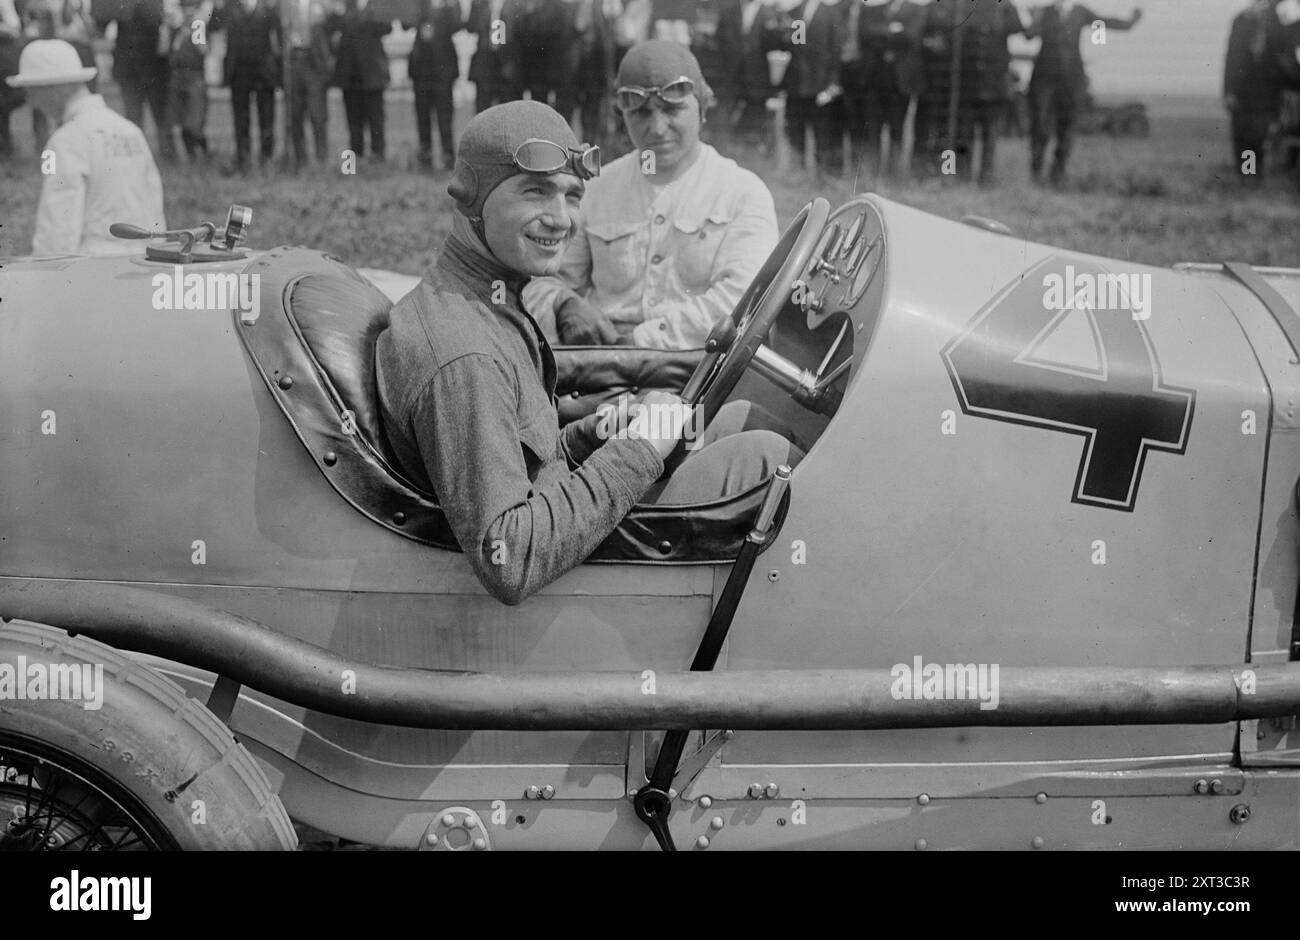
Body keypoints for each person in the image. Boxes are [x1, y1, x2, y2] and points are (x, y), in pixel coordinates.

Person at [374, 99, 798, 605]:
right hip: (564, 577)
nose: (560, 219)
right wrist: (639, 449)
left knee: (740, 420)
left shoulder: (489, 301)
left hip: (563, 517)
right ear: (470, 197)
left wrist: (596, 433)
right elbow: (509, 557)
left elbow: (527, 454)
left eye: (572, 196)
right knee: (765, 456)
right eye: (535, 192)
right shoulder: (465, 356)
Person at [522, 40, 778, 350]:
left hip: (700, 371)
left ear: (703, 106)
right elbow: (542, 278)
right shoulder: (596, 189)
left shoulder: (742, 193)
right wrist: (563, 302)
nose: (657, 128)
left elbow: (742, 300)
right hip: (602, 370)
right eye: (641, 113)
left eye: (672, 109)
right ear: (623, 115)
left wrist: (640, 341)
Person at [6, 38, 165, 254]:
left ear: (53, 89)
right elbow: (155, 208)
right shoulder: (130, 131)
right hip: (142, 265)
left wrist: (41, 277)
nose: (32, 102)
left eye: (32, 91)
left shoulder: (63, 143)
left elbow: (57, 231)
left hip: (89, 271)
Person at [1025, 0, 1142, 185]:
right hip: (1044, 80)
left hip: (1071, 80)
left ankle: (1058, 174)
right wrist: (1034, 19)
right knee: (1040, 126)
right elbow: (1029, 34)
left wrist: (1130, 23)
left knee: (1066, 127)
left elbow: (1103, 22)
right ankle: (1036, 174)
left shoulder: (1081, 12)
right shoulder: (1044, 12)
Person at [842, 0, 925, 181]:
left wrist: (883, 32)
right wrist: (894, 30)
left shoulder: (916, 9)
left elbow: (911, 36)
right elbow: (866, 34)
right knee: (873, 129)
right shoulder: (873, 8)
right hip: (875, 82)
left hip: (900, 84)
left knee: (897, 130)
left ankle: (894, 176)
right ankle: (873, 176)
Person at [774, 0, 845, 174]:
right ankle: (799, 172)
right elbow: (796, 46)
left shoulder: (831, 13)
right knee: (796, 131)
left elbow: (836, 51)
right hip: (797, 86)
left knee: (822, 133)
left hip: (820, 86)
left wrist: (832, 84)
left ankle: (825, 175)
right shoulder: (796, 12)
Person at [211, 0, 281, 171]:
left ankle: (267, 159)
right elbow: (214, 26)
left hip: (263, 73)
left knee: (267, 118)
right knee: (241, 120)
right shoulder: (229, 5)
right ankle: (243, 160)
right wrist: (217, 6)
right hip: (239, 72)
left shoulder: (268, 7)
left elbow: (279, 31)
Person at [1224, 0, 1286, 181]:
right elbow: (1232, 59)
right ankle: (1248, 175)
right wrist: (1229, 91)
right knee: (1244, 139)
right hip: (1243, 93)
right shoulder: (1242, 21)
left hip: (1267, 93)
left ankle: (1255, 175)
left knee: (1259, 137)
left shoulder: (1281, 22)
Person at [105, 0, 173, 161]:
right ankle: (136, 156)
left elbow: (156, 17)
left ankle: (168, 155)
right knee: (133, 116)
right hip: (129, 68)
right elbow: (103, 20)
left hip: (153, 67)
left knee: (161, 115)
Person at [327, 0, 392, 161]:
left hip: (372, 74)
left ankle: (378, 156)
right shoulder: (346, 5)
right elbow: (330, 26)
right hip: (350, 75)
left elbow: (387, 27)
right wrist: (337, 11)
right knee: (353, 119)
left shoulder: (377, 5)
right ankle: (356, 157)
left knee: (376, 119)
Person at [403, 0, 462, 170]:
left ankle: (448, 157)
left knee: (445, 118)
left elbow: (457, 23)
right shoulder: (420, 6)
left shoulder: (448, 6)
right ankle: (425, 157)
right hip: (421, 71)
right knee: (423, 118)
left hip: (442, 72)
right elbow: (406, 23)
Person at [283, 0, 333, 167]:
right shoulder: (287, 5)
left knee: (317, 115)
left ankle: (321, 159)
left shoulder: (323, 5)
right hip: (294, 61)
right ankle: (300, 160)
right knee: (295, 115)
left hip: (314, 64)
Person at [160, 0, 210, 161]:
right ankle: (187, 157)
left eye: (191, 8)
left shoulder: (198, 27)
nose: (188, 12)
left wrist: (194, 31)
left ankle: (201, 153)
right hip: (177, 76)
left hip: (194, 76)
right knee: (175, 122)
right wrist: (169, 30)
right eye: (185, 8)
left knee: (193, 123)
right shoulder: (175, 28)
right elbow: (164, 50)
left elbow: (203, 51)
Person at [466, 0, 518, 112]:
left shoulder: (514, 4)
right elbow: (470, 27)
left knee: (507, 110)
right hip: (485, 63)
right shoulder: (480, 4)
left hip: (507, 63)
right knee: (482, 109)